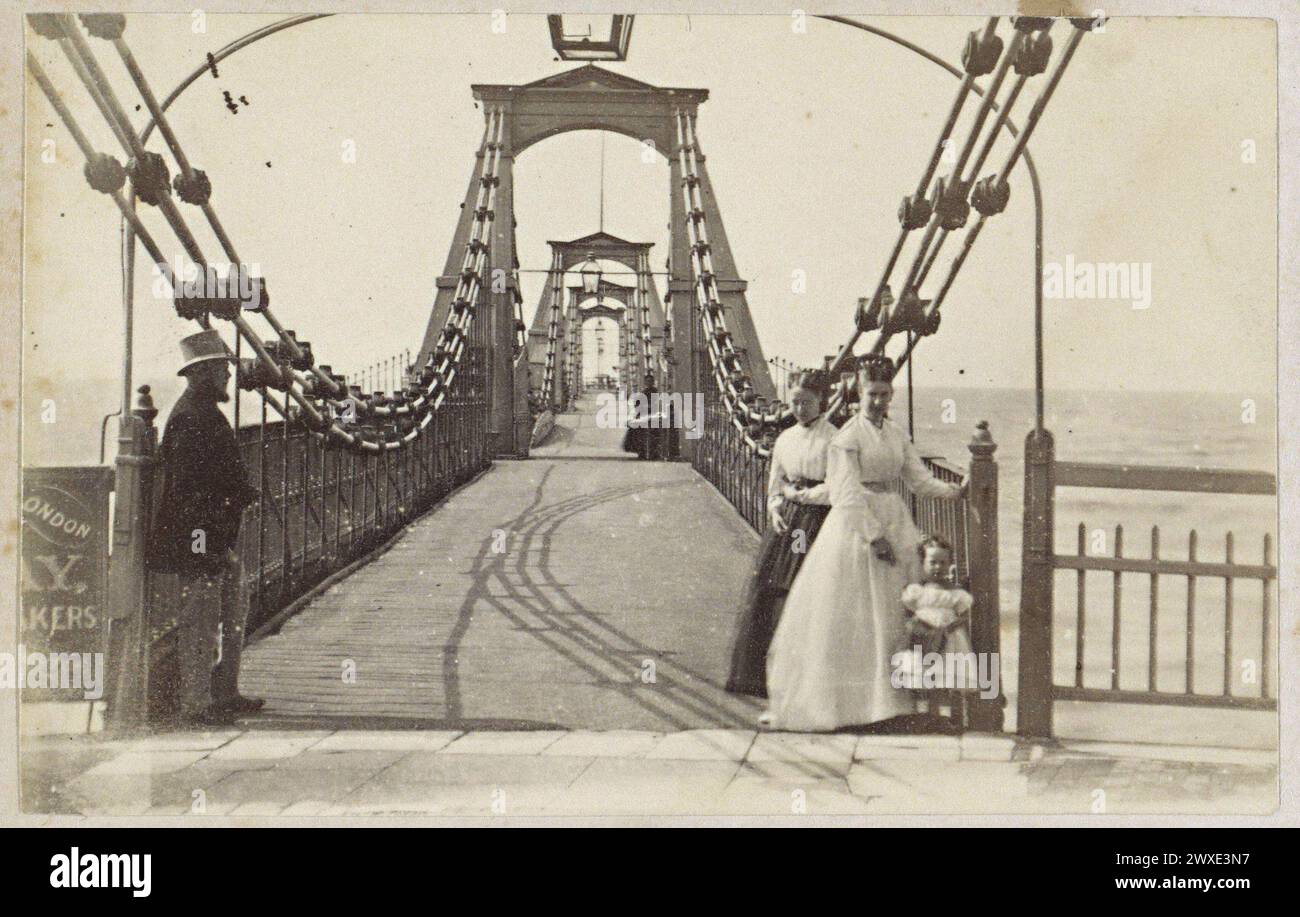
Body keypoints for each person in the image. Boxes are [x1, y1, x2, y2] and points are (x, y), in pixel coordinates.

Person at [764, 353, 967, 732]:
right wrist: (874, 537)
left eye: (885, 394)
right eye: (872, 393)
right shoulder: (847, 438)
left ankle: (892, 702)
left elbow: (918, 480)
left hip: (895, 517)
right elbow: (844, 493)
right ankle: (853, 705)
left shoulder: (895, 434)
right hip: (857, 527)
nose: (879, 401)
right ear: (859, 394)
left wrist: (956, 491)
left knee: (892, 612)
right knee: (856, 614)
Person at [147, 328, 263, 726]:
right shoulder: (191, 417)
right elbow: (187, 493)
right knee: (200, 620)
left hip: (217, 535)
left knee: (232, 614)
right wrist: (205, 548)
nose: (229, 376)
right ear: (203, 373)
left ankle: (224, 692)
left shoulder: (200, 412)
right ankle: (197, 703)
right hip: (200, 538)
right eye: (222, 370)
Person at [726, 369, 837, 697]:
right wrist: (775, 507)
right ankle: (765, 675)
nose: (800, 409)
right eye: (795, 403)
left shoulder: (834, 439)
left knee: (808, 593)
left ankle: (807, 677)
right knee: (772, 592)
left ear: (822, 400)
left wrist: (801, 495)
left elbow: (836, 486)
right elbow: (775, 481)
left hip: (819, 519)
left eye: (807, 402)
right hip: (788, 522)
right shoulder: (785, 439)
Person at [893, 536, 975, 728]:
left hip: (948, 639)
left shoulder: (955, 594)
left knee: (944, 678)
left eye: (942, 562)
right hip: (923, 637)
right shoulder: (917, 592)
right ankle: (922, 718)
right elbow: (908, 612)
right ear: (923, 564)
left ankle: (944, 719)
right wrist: (915, 624)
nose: (938, 567)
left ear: (950, 565)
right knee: (921, 678)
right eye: (932, 562)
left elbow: (963, 615)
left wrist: (952, 625)